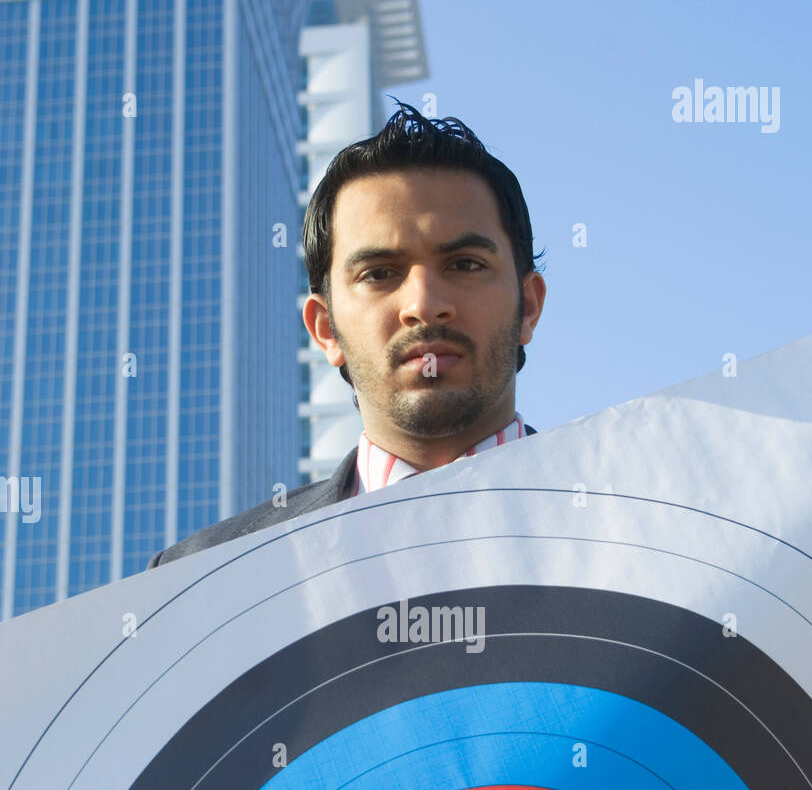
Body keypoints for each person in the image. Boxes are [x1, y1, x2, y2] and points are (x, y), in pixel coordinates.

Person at [146, 102, 546, 569]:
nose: (422, 304)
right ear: (324, 328)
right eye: (379, 273)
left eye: (464, 265)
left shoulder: (642, 515)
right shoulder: (198, 576)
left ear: (529, 307)